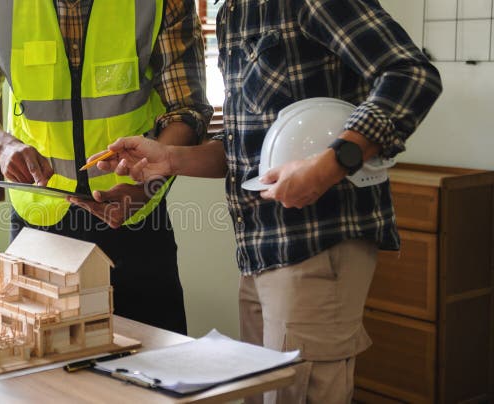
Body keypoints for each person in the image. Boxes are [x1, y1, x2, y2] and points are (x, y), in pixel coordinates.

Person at [80, 0, 442, 402]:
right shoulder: (232, 14)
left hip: (315, 241)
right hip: (259, 250)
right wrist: (168, 159)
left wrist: (331, 164)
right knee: (261, 393)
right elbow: (245, 150)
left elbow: (412, 74)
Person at [0, 0, 213, 335]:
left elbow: (187, 111)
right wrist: (3, 146)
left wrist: (145, 188)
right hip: (38, 228)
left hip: (134, 222)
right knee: (36, 362)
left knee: (156, 360)